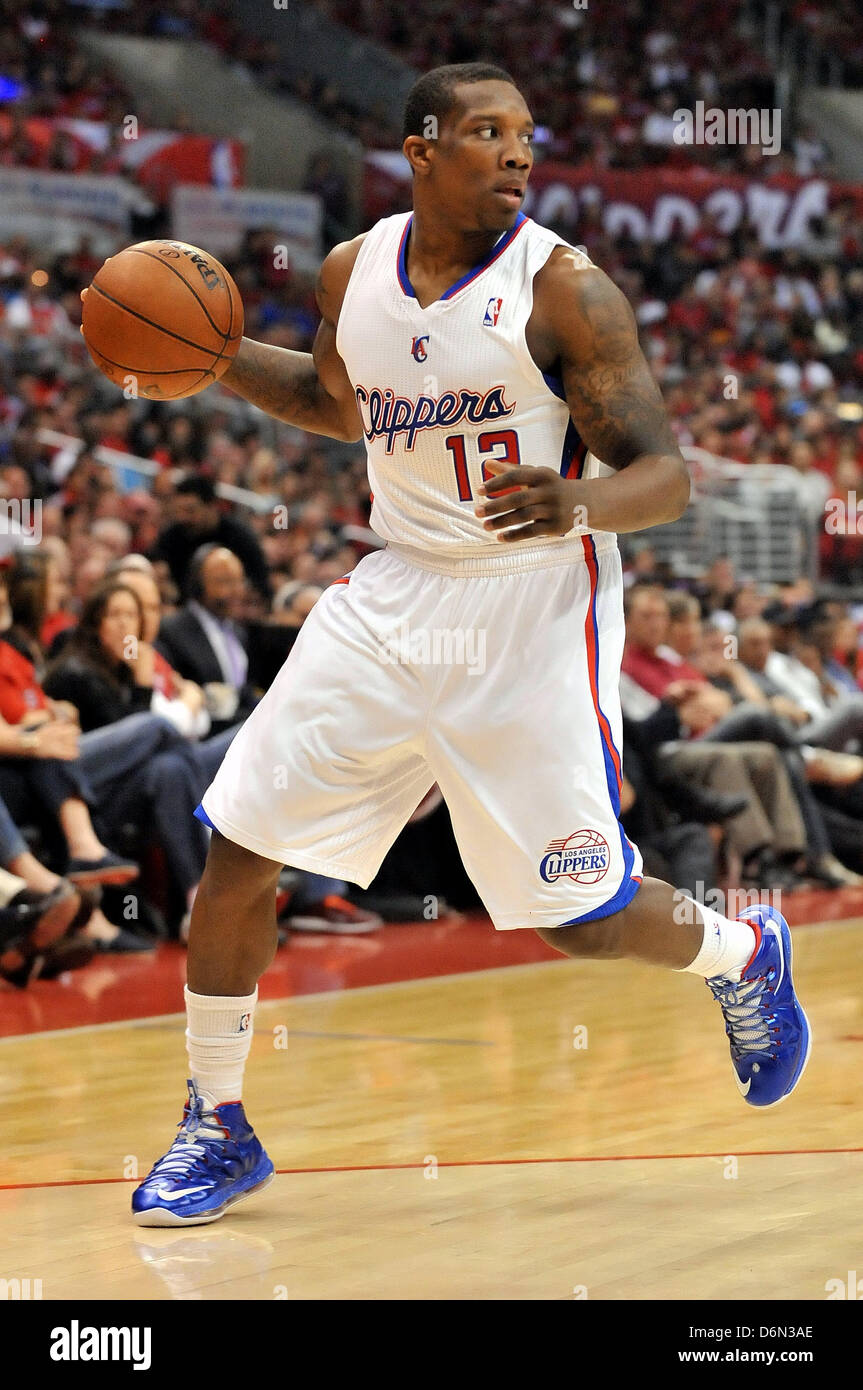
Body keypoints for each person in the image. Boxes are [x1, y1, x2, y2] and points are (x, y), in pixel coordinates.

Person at [123, 63, 809, 1228]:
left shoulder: (566, 295)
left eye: (525, 137)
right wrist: (215, 357)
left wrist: (575, 504)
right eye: (487, 133)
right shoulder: (353, 270)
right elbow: (343, 402)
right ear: (420, 147)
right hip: (391, 594)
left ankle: (740, 954)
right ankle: (217, 1121)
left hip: (531, 599)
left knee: (575, 919)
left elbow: (666, 475)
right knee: (239, 847)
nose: (516, 154)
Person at [151, 474, 271, 603]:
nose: (183, 517)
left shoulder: (239, 538)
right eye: (179, 511)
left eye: (190, 510)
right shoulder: (171, 536)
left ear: (212, 506)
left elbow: (260, 585)